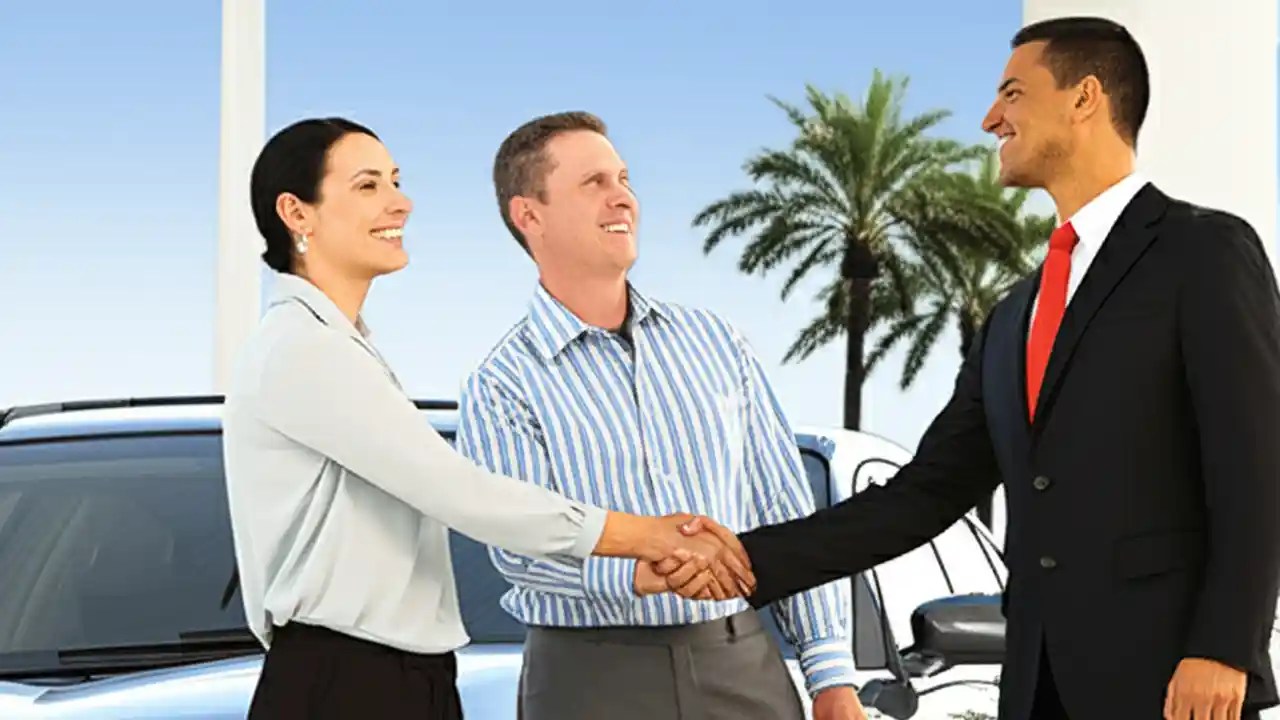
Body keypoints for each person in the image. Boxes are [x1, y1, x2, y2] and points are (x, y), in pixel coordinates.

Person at [702, 16, 1280, 720]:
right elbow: (924, 492)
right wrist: (743, 557)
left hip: (1173, 684)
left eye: (1012, 94)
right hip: (1036, 685)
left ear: (1084, 97)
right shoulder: (1016, 313)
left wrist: (1225, 647)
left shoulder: (1203, 252)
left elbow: (1257, 465)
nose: (989, 119)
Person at [220, 116, 754, 720]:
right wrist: (646, 536)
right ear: (297, 213)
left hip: (391, 675)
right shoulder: (303, 350)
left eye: (396, 181)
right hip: (346, 680)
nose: (401, 202)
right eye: (368, 186)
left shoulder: (338, 346)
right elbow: (463, 493)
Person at [451, 111, 866, 720]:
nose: (623, 196)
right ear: (529, 215)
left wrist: (830, 674)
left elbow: (787, 512)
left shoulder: (718, 344)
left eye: (623, 178)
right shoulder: (501, 385)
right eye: (593, 182)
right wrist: (641, 573)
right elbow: (519, 547)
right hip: (586, 678)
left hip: (741, 662)